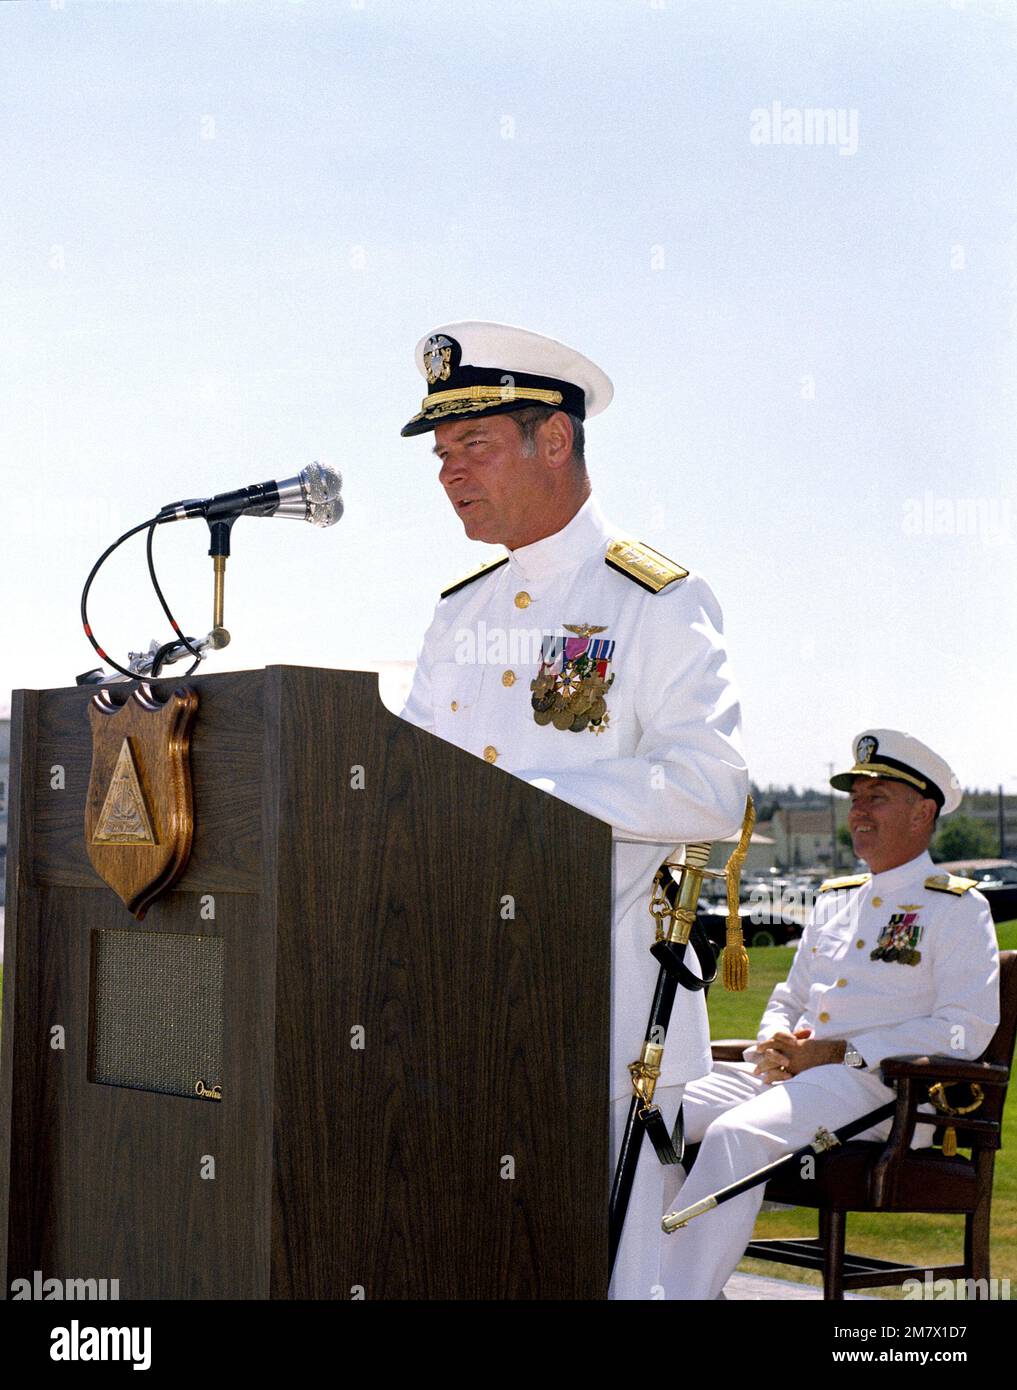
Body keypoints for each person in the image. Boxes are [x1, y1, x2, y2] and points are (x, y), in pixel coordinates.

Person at [398, 321, 748, 1298]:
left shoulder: (652, 599)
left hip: (602, 1015)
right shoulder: (458, 609)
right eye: (440, 454)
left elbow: (712, 785)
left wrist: (531, 811)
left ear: (555, 439)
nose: (447, 472)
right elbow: (416, 787)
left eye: (472, 446)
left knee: (610, 1280)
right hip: (461, 1001)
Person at [661, 728, 1000, 1300]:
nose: (859, 812)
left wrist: (839, 1052)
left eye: (877, 798)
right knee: (656, 1112)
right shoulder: (835, 897)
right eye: (855, 799)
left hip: (884, 1093)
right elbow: (790, 998)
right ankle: (659, 1279)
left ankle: (672, 1296)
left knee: (735, 1135)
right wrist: (773, 1042)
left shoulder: (959, 908)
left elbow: (963, 1029)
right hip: (798, 1080)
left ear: (923, 813)